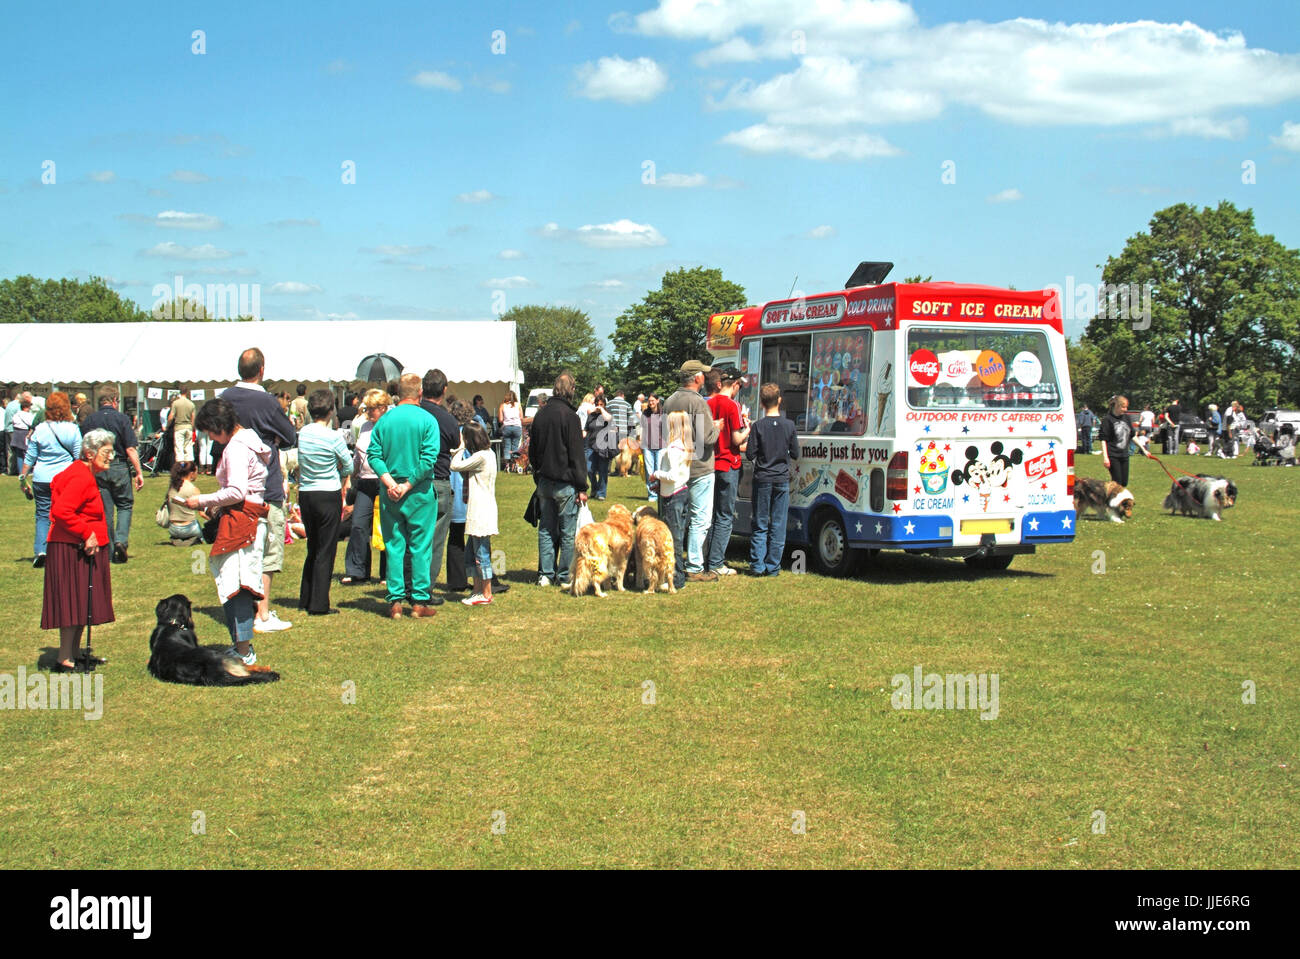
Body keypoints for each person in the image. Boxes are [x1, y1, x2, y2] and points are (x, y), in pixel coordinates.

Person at [188, 399, 272, 665]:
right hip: (249, 517)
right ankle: (242, 646)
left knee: (236, 585)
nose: (211, 438)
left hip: (242, 520)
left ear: (218, 426)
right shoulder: (249, 439)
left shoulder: (236, 448)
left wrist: (202, 500)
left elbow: (236, 491)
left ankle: (244, 650)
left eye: (210, 432)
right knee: (240, 582)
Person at [220, 348, 298, 634]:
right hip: (265, 483)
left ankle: (246, 608)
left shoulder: (225, 398)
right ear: (261, 369)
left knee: (241, 548)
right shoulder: (267, 401)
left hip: (235, 483)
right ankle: (262, 614)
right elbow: (289, 436)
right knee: (268, 549)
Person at [42, 428, 118, 672]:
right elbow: (62, 511)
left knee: (81, 604)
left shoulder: (82, 473)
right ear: (89, 453)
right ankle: (64, 658)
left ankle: (73, 653)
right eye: (106, 452)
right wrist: (87, 533)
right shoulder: (80, 477)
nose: (111, 456)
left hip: (76, 546)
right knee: (73, 604)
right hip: (72, 547)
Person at [367, 373, 440, 619]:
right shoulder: (428, 420)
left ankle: (395, 601)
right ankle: (419, 602)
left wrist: (390, 483)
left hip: (390, 493)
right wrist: (407, 485)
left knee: (394, 546)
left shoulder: (384, 421)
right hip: (418, 492)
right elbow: (428, 459)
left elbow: (373, 455)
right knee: (421, 546)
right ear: (420, 393)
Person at [529, 371, 588, 588]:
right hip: (565, 483)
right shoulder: (570, 417)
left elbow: (532, 450)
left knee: (546, 528)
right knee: (567, 530)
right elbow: (576, 455)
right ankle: (564, 576)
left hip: (544, 481)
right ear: (571, 390)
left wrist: (538, 473)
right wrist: (582, 486)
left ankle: (545, 574)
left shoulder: (541, 415)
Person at [663, 360, 720, 583]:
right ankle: (695, 565)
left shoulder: (669, 401)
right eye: (703, 375)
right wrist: (717, 428)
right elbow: (706, 438)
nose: (705, 378)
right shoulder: (698, 402)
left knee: (676, 520)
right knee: (700, 518)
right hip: (700, 466)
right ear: (697, 378)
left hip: (676, 467)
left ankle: (673, 563)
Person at [297, 389, 353, 615]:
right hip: (327, 493)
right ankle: (319, 603)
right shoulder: (333, 436)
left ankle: (306, 596)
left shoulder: (303, 433)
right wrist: (340, 472)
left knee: (313, 545)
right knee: (326, 549)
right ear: (331, 411)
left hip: (306, 492)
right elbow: (349, 465)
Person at [416, 369, 465, 606]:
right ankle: (423, 590)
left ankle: (407, 586)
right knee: (434, 541)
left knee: (409, 537)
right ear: (444, 390)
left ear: (422, 389)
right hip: (437, 481)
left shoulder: (412, 413)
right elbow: (456, 443)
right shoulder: (446, 419)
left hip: (408, 482)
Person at [82, 386, 144, 564]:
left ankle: (107, 550)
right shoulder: (122, 418)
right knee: (125, 504)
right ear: (115, 400)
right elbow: (130, 448)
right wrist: (139, 472)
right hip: (118, 466)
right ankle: (121, 540)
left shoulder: (89, 420)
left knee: (105, 510)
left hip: (97, 468)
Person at [20, 392, 81, 568]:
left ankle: (41, 550)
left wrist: (23, 478)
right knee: (67, 514)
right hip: (65, 478)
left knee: (42, 515)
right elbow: (78, 456)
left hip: (41, 478)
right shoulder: (73, 429)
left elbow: (30, 457)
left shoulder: (40, 429)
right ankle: (67, 548)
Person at [747, 383, 800, 577]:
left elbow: (750, 453)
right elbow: (795, 453)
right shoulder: (790, 426)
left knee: (760, 522)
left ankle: (757, 565)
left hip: (762, 477)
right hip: (781, 477)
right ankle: (773, 566)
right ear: (779, 400)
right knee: (778, 523)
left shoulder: (758, 426)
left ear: (761, 403)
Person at [704, 368, 751, 577]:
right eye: (739, 386)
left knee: (712, 514)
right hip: (728, 463)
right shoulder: (732, 405)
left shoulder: (708, 403)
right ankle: (716, 562)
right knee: (724, 515)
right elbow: (736, 440)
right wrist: (748, 428)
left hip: (710, 464)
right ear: (734, 385)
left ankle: (708, 558)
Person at [342, 388, 389, 585]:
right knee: (359, 524)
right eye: (367, 408)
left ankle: (388, 573)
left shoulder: (389, 427)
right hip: (364, 480)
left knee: (386, 528)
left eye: (372, 408)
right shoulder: (365, 427)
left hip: (385, 481)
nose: (369, 412)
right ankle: (357, 570)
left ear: (383, 408)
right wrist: (349, 476)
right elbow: (357, 455)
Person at [449, 421, 499, 606]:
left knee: (481, 553)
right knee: (471, 553)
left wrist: (460, 448)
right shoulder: (490, 454)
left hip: (480, 510)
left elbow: (455, 466)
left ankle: (486, 593)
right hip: (481, 508)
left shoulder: (481, 457)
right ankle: (477, 590)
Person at [653, 411, 695, 590]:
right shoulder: (685, 447)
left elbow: (670, 475)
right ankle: (673, 574)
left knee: (673, 539)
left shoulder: (672, 449)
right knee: (677, 537)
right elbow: (680, 475)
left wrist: (655, 475)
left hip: (673, 497)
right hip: (682, 491)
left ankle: (675, 578)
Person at [1100, 395, 1149, 486]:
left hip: (1124, 455)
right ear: (1117, 406)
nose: (1125, 409)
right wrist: (1105, 458)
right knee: (1117, 482)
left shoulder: (1126, 418)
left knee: (1124, 483)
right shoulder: (1107, 419)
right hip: (1113, 455)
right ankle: (1113, 499)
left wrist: (1144, 449)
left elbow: (1132, 436)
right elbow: (1103, 440)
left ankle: (1114, 498)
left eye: (1126, 407)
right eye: (1123, 407)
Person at [166, 460, 205, 544]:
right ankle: (192, 539)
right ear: (191, 474)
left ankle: (177, 539)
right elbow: (202, 513)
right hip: (189, 528)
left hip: (173, 528)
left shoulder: (172, 487)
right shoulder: (193, 489)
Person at [584, 393, 613, 501]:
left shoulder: (607, 413)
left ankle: (601, 493)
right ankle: (594, 488)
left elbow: (609, 419)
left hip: (603, 445)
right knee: (589, 469)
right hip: (591, 445)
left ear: (604, 404)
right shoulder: (591, 416)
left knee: (603, 470)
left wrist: (602, 410)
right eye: (597, 404)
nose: (599, 406)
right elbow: (586, 429)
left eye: (601, 404)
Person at [641, 394, 664, 504]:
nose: (651, 403)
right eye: (649, 401)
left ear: (657, 401)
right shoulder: (645, 413)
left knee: (658, 470)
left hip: (660, 446)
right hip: (648, 446)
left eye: (653, 401)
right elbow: (643, 428)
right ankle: (652, 494)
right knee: (649, 471)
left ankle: (660, 492)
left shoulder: (663, 413)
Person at [9, 393, 34, 478]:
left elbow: (13, 422)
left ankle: (21, 471)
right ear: (26, 407)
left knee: (19, 454)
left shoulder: (16, 414)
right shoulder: (27, 415)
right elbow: (32, 423)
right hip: (24, 433)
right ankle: (27, 471)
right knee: (26, 453)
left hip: (16, 432)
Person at [170, 387, 196, 462]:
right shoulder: (191, 404)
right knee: (188, 448)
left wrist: (168, 425)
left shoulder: (176, 403)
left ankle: (181, 466)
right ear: (187, 392)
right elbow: (193, 418)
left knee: (179, 448)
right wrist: (192, 427)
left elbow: (171, 416)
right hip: (188, 427)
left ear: (179, 392)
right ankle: (189, 466)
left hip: (179, 427)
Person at [498, 390, 523, 469]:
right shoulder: (518, 405)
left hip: (507, 427)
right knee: (515, 446)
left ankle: (507, 465)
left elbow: (500, 420)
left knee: (507, 446)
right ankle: (515, 464)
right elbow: (521, 417)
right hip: (517, 427)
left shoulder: (502, 405)